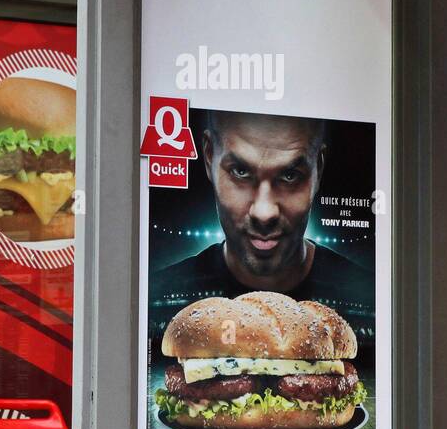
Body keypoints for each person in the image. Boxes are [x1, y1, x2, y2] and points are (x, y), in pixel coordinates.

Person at [150, 110, 372, 340]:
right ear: (208, 156)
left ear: (318, 168)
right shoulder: (153, 295)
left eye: (290, 176)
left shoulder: (373, 296)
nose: (264, 213)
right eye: (241, 171)